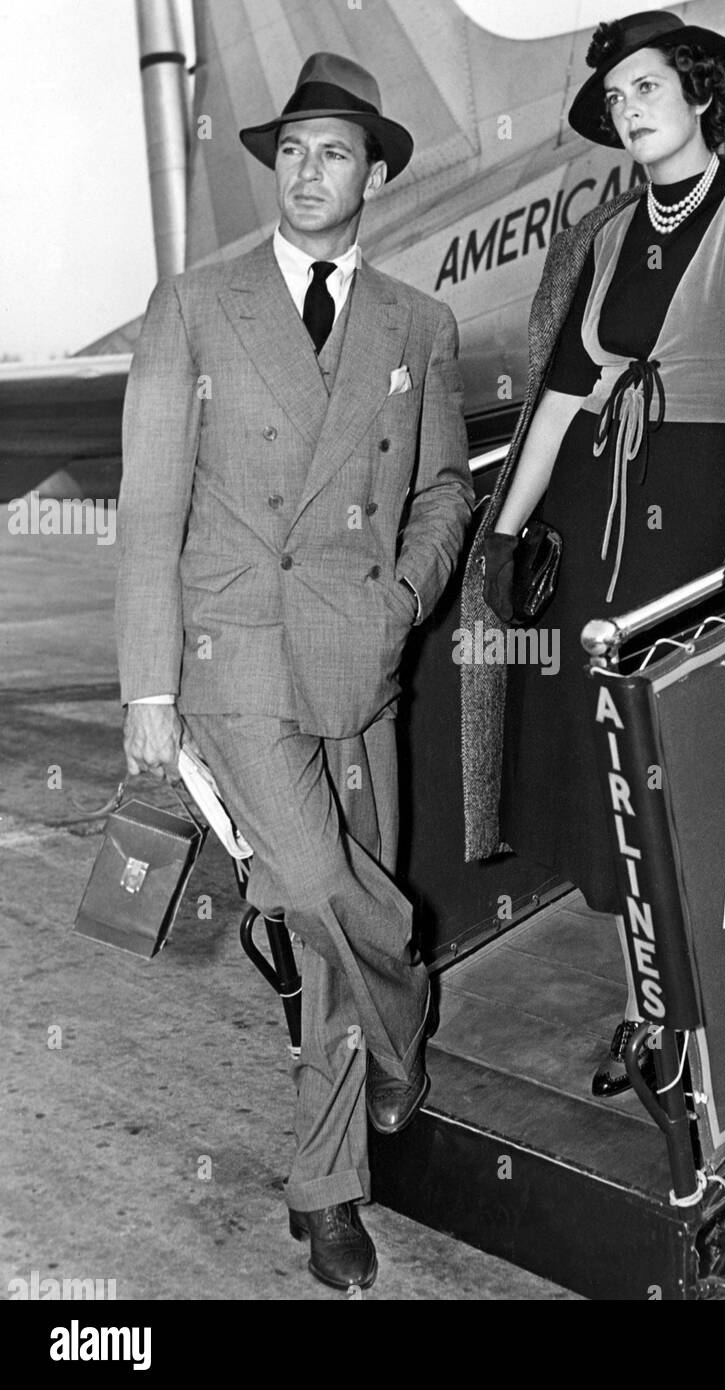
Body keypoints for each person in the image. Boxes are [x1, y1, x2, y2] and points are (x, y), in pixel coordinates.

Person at [459, 10, 725, 1098]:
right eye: (613, 100)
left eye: (644, 87)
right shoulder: (593, 241)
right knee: (612, 784)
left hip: (706, 527)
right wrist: (504, 535)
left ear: (698, 94)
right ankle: (646, 1007)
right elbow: (554, 405)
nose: (628, 110)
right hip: (595, 533)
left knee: (705, 773)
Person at [116, 52, 472, 1290]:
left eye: (336, 151)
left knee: (322, 943)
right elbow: (150, 504)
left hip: (358, 656)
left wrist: (405, 595)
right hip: (234, 658)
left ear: (372, 173)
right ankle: (406, 1008)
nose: (308, 171)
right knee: (322, 884)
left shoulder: (416, 324)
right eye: (293, 150)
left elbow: (440, 490)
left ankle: (326, 1194)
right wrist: (148, 692)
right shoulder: (195, 308)